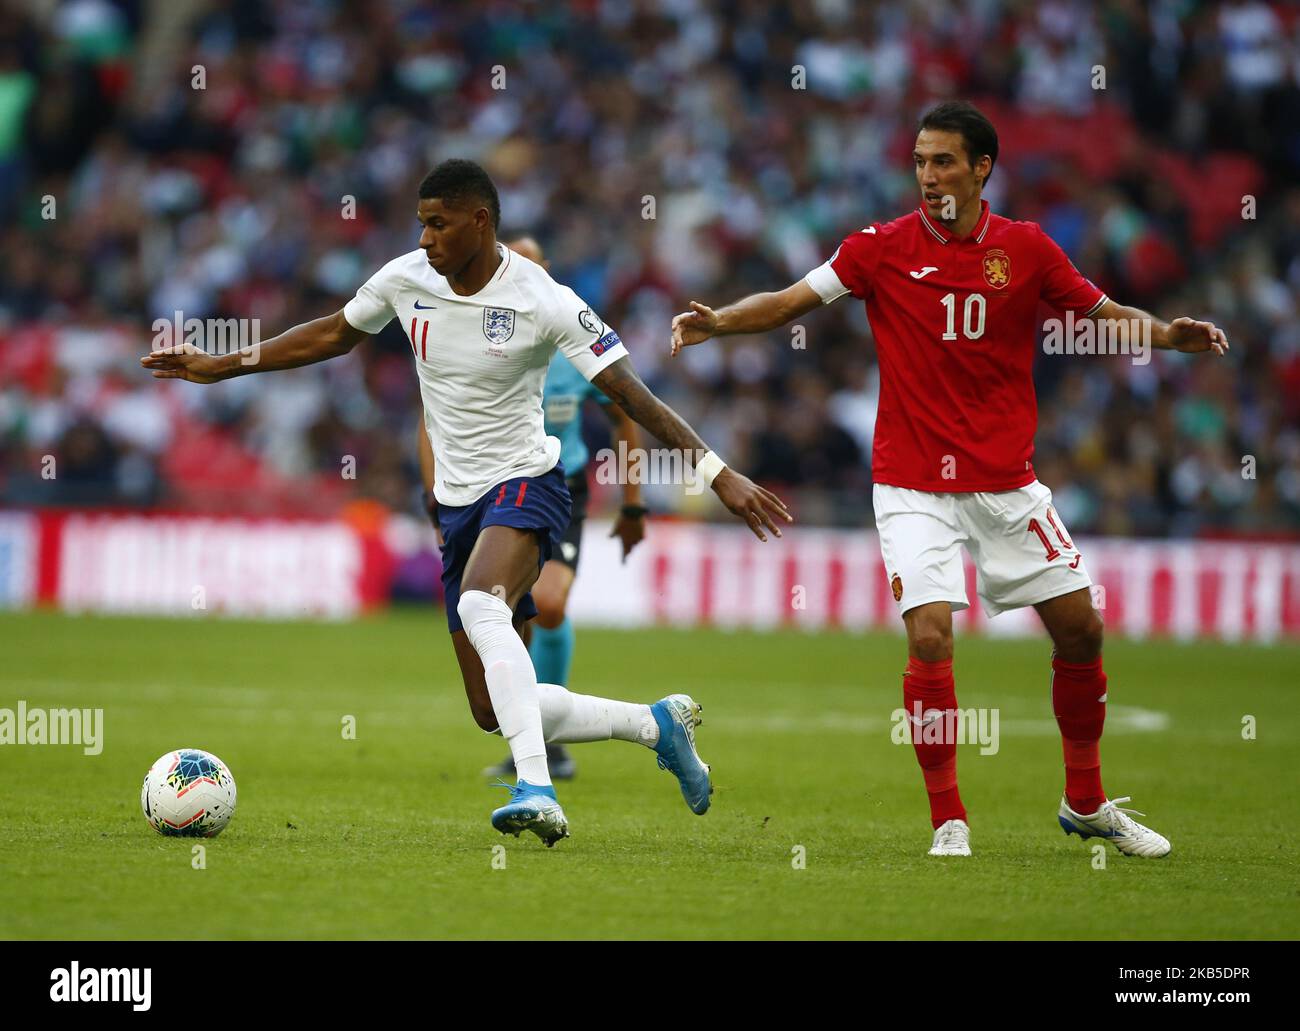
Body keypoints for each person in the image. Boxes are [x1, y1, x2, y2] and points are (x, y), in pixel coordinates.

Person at [144, 158, 792, 846]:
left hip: (528, 481)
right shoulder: (405, 280)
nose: (425, 238)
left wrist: (717, 471)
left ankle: (537, 787)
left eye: (438, 223)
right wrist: (221, 364)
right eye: (421, 223)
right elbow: (333, 332)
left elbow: (632, 392)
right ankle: (655, 723)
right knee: (490, 708)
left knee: (482, 604)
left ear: (479, 222)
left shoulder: (544, 298)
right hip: (457, 506)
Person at [670, 101, 1229, 858]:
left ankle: (1087, 800)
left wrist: (1166, 334)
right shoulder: (879, 248)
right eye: (920, 163)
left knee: (1082, 627)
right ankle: (949, 819)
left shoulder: (1026, 249)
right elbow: (792, 300)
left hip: (1005, 481)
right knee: (932, 636)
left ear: (981, 168)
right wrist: (719, 322)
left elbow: (1100, 311)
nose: (928, 177)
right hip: (911, 484)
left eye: (942, 162)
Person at [417, 236, 650, 782]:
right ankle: (567, 734)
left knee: (547, 604)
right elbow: (429, 421)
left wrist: (633, 504)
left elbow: (624, 417)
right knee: (493, 669)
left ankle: (545, 754)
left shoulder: (568, 338)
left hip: (553, 484)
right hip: (478, 491)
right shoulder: (472, 336)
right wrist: (434, 494)